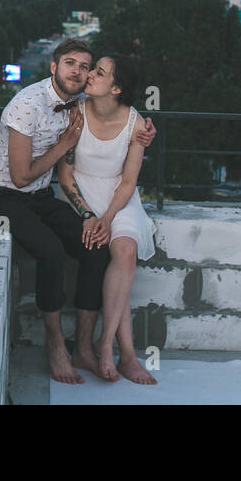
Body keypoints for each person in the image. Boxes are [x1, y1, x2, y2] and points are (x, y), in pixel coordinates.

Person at [0, 39, 156, 384]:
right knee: (51, 252)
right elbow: (20, 175)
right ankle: (56, 344)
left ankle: (86, 348)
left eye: (86, 67)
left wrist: (148, 128)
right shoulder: (25, 105)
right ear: (53, 67)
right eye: (70, 63)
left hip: (40, 195)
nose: (79, 72)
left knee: (95, 249)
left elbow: (121, 113)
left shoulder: (78, 99)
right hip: (4, 197)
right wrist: (64, 145)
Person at [56, 54, 157, 385]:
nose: (89, 76)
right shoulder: (76, 112)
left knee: (125, 250)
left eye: (98, 73)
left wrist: (109, 217)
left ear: (115, 89)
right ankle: (125, 354)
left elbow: (128, 182)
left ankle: (105, 344)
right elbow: (65, 175)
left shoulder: (137, 125)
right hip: (80, 195)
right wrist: (89, 214)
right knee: (117, 263)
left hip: (119, 197)